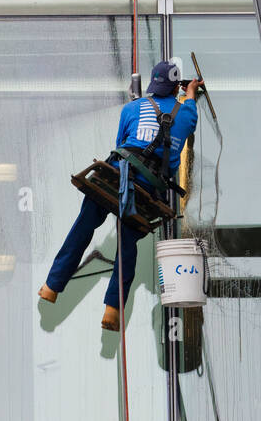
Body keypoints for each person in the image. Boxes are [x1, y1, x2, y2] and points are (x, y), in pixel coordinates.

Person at [38, 60, 201, 331]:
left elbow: (120, 143)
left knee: (83, 226)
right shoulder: (187, 114)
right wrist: (191, 92)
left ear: (153, 85)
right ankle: (112, 310)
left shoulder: (132, 108)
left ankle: (51, 287)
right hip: (146, 189)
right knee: (127, 247)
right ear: (176, 89)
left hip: (116, 173)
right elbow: (189, 106)